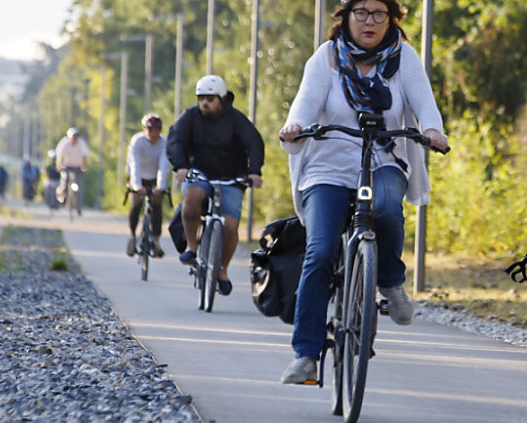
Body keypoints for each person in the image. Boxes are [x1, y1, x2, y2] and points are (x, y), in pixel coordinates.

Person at [277, 0, 449, 384]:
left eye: (378, 14)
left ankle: (389, 279)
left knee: (388, 205)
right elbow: (304, 105)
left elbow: (425, 104)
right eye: (361, 13)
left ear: (392, 19)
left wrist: (433, 131)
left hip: (383, 161)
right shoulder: (327, 58)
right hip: (328, 169)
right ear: (346, 17)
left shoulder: (404, 58)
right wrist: (295, 126)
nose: (369, 22)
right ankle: (306, 354)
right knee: (319, 252)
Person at [167, 74, 264, 294]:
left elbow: (254, 143)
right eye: (201, 98)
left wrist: (254, 171)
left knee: (230, 227)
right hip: (199, 173)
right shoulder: (190, 117)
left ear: (221, 99)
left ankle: (222, 270)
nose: (205, 103)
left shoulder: (236, 120)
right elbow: (176, 141)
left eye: (210, 98)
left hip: (231, 177)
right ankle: (192, 247)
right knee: (191, 198)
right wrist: (181, 166)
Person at [125, 114, 172, 257]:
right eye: (150, 129)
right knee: (136, 205)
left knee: (157, 205)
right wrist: (137, 186)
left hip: (155, 179)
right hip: (138, 178)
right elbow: (135, 165)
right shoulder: (137, 141)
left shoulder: (164, 142)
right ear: (144, 129)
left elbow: (164, 165)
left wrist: (161, 186)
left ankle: (156, 241)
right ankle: (132, 237)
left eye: (156, 130)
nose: (153, 133)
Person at [55, 127, 89, 215]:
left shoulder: (81, 143)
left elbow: (84, 157)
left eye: (76, 137)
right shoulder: (64, 143)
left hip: (77, 167)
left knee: (78, 187)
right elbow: (60, 156)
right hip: (67, 166)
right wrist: (59, 166)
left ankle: (78, 207)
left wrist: (84, 167)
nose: (74, 139)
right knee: (65, 179)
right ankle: (63, 195)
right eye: (73, 137)